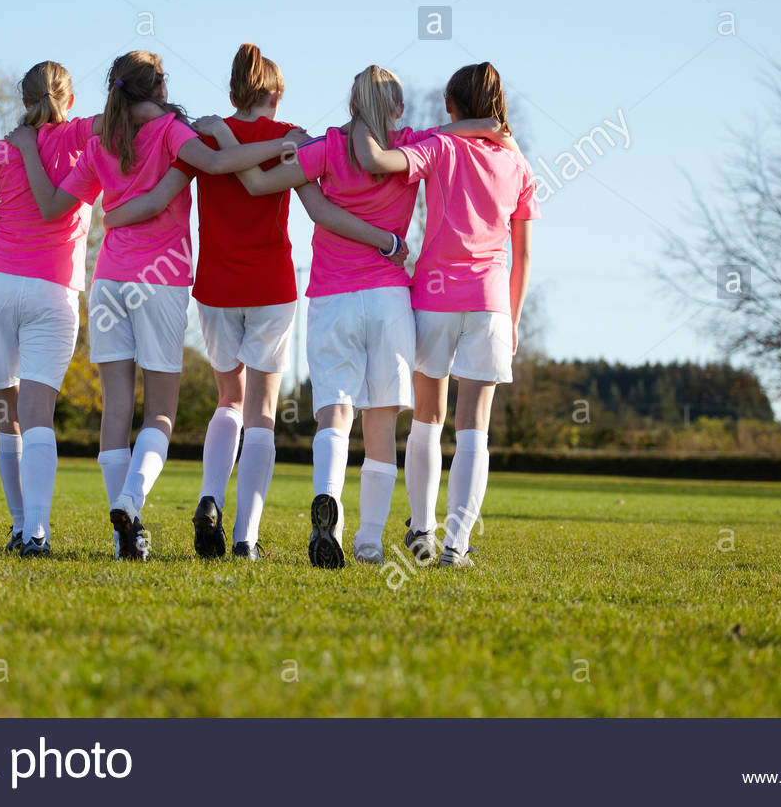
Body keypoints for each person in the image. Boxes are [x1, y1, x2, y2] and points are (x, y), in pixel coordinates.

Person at [102, 43, 407, 561]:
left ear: (233, 90)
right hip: (270, 285)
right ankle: (245, 538)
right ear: (276, 92)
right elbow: (318, 201)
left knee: (229, 402)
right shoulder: (288, 139)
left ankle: (209, 497)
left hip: (216, 287)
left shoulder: (204, 135)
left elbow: (171, 187)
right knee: (262, 415)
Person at [7, 50, 308, 560]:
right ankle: (131, 499)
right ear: (161, 86)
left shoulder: (106, 138)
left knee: (115, 410)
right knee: (161, 413)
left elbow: (55, 205)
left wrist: (31, 151)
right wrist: (282, 143)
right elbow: (215, 163)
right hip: (160, 282)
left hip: (108, 282)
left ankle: (127, 540)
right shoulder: (173, 131)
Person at [220, 65, 510, 567]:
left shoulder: (327, 147)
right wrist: (495, 128)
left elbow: (257, 185)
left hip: (331, 298)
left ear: (351, 105)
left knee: (334, 411)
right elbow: (464, 134)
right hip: (389, 298)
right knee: (380, 421)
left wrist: (275, 165)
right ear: (397, 109)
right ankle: (369, 541)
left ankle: (328, 498)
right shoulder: (412, 143)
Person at [352, 61, 536, 567]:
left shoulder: (439, 145)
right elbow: (523, 257)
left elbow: (384, 163)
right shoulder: (518, 166)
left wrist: (441, 130)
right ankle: (456, 545)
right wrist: (514, 320)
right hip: (492, 302)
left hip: (432, 298)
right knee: (474, 425)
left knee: (427, 421)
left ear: (451, 107)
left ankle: (422, 531)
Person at [0, 60, 100, 557]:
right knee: (39, 416)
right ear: (70, 98)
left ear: (22, 100)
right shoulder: (82, 136)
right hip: (52, 291)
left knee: (5, 415)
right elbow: (128, 119)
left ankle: (19, 527)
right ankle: (38, 531)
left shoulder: (0, 149)